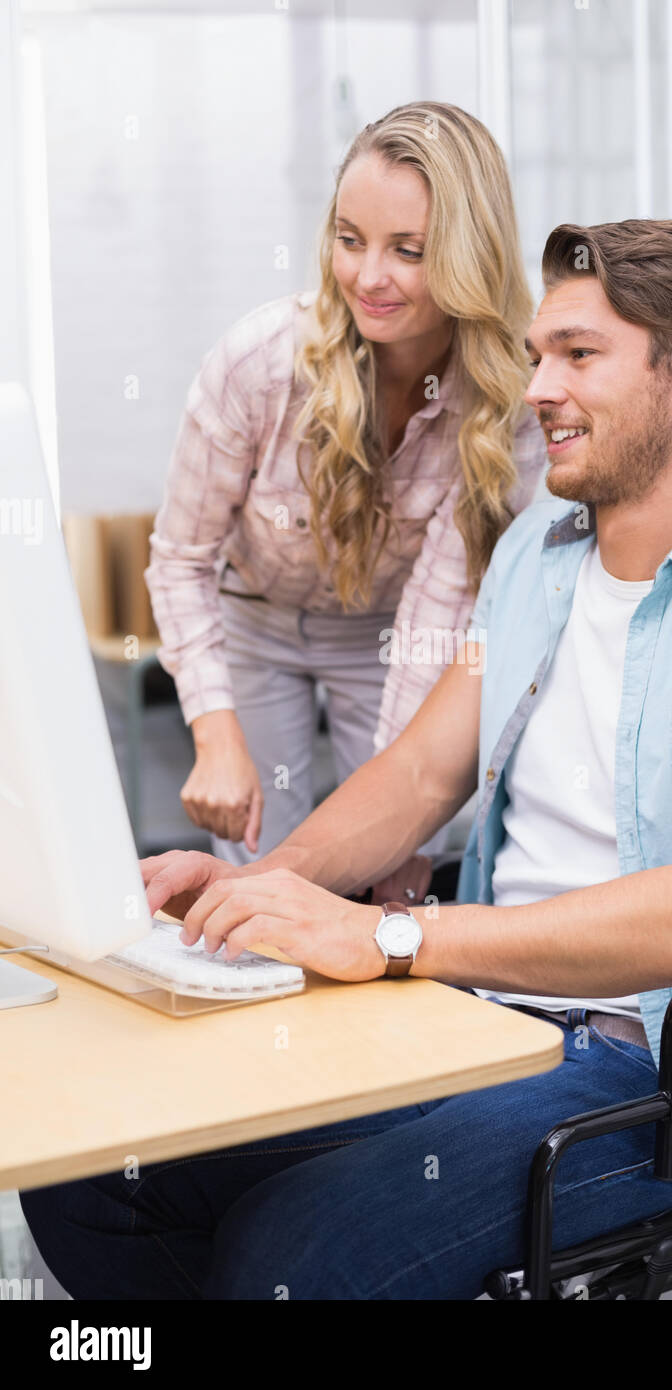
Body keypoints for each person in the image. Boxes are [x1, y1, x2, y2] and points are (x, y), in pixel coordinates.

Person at [23, 219, 672, 1300]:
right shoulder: (538, 555)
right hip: (468, 1014)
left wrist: (391, 935)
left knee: (292, 1256)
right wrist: (263, 886)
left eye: (577, 354)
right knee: (103, 1174)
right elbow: (422, 774)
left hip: (650, 1076)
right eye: (532, 356)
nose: (536, 390)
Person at [143, 101, 548, 904]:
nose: (368, 276)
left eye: (409, 251)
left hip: (386, 635)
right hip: (251, 621)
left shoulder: (506, 405)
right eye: (349, 239)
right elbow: (181, 559)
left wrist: (406, 831)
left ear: (470, 255)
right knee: (260, 869)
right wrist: (215, 732)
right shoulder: (260, 364)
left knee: (380, 872)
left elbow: (438, 617)